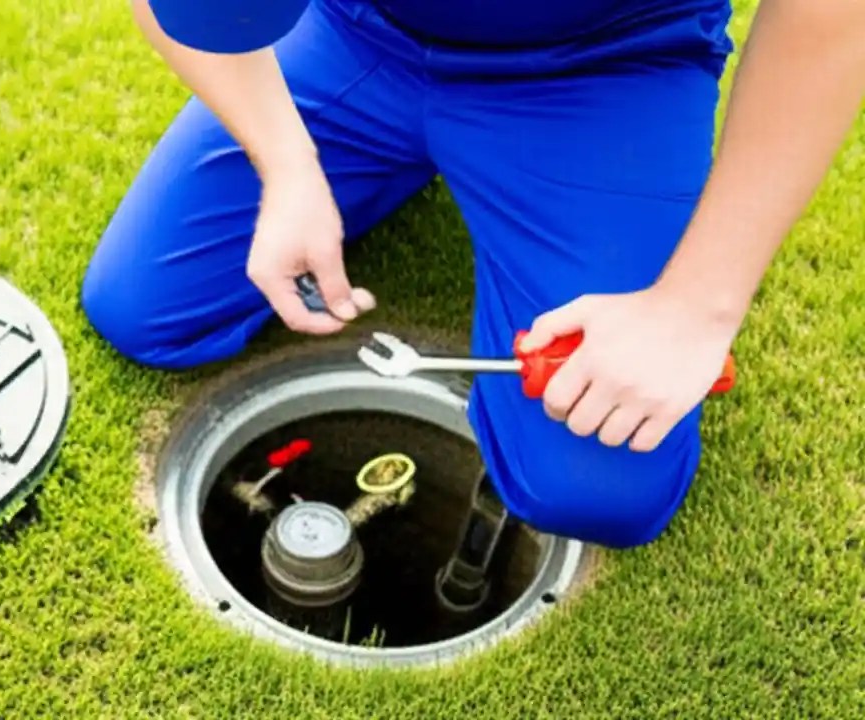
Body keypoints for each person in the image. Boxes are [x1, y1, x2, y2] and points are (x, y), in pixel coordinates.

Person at [80, 0, 865, 547]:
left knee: (596, 486)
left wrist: (696, 308)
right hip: (360, 35)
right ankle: (399, 157)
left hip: (602, 67)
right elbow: (182, 8)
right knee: (141, 306)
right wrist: (287, 165)